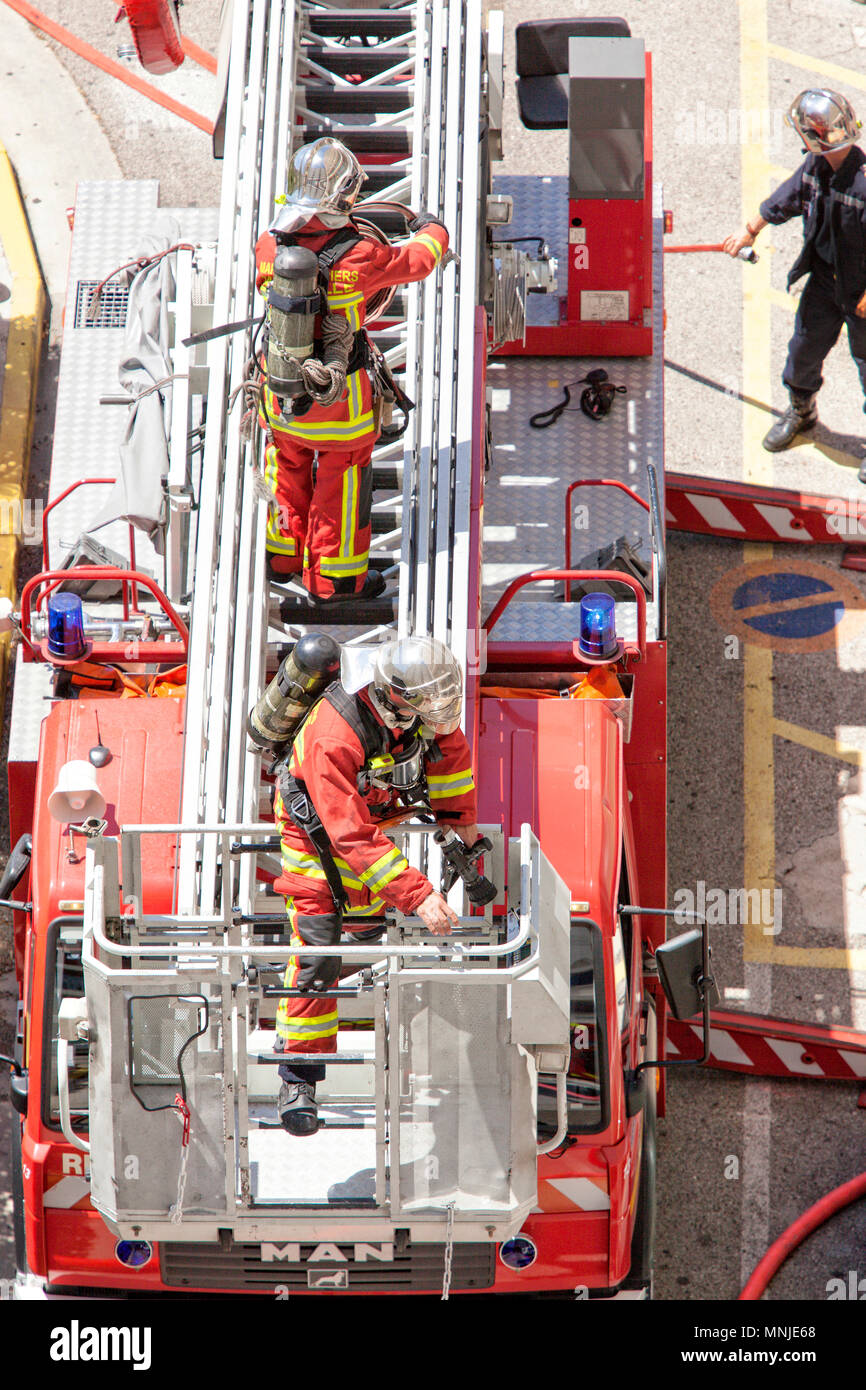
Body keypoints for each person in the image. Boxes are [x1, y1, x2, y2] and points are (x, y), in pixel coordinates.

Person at [270, 635, 478, 1135]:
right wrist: (419, 894)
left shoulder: (422, 710)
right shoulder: (333, 735)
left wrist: (459, 821)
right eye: (430, 701)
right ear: (395, 694)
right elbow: (346, 834)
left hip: (370, 821)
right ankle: (298, 1077)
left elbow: (451, 764)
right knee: (319, 951)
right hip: (313, 835)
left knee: (365, 923)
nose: (439, 710)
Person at [255, 138, 450, 600]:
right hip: (340, 406)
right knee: (340, 488)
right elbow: (417, 262)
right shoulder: (360, 253)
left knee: (287, 469)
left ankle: (281, 558)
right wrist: (434, 230)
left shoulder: (268, 243)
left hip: (280, 397)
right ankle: (334, 580)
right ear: (343, 196)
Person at [723, 89, 866, 481]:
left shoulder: (864, 184)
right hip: (823, 283)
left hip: (861, 294)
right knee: (803, 352)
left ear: (813, 136)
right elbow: (783, 200)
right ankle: (802, 412)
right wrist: (749, 230)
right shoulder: (814, 169)